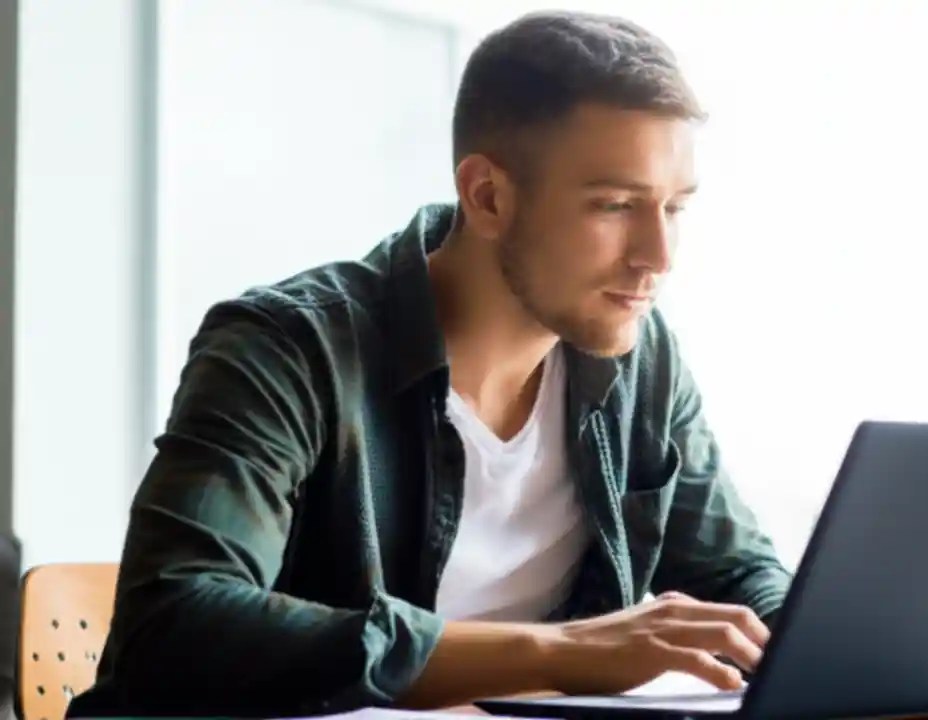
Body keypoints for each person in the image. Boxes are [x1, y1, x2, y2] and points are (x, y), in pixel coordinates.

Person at [69, 10, 791, 717]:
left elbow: (736, 574)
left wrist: (821, 646)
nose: (657, 258)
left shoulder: (640, 355)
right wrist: (559, 652)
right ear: (488, 197)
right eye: (613, 205)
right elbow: (177, 620)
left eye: (675, 208)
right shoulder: (286, 347)